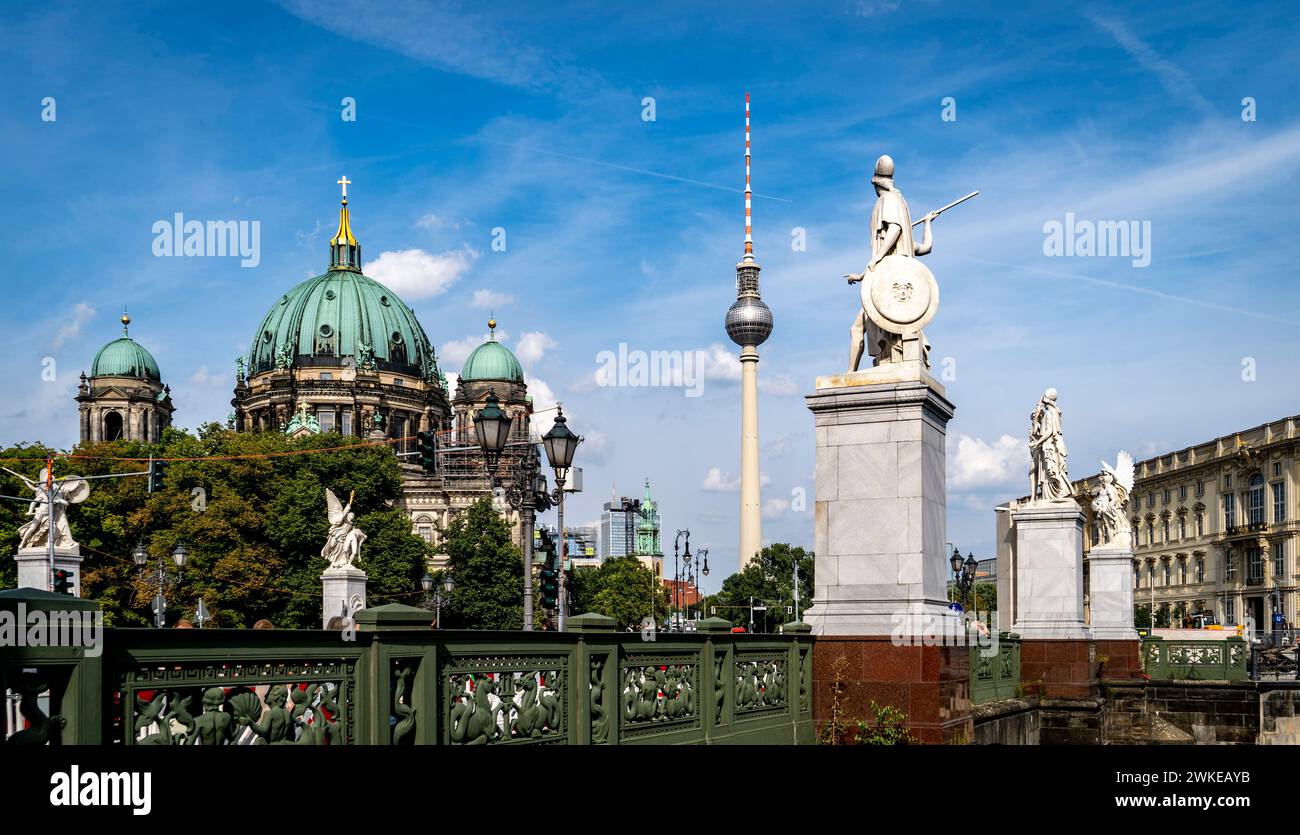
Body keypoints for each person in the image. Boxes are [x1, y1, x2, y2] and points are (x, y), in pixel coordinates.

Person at [846, 154, 935, 371]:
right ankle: (851, 372)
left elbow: (894, 228)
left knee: (858, 327)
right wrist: (927, 224)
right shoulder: (900, 208)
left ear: (877, 184)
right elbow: (925, 247)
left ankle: (850, 373)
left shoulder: (888, 200)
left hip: (889, 283)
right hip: (890, 279)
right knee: (858, 327)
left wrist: (877, 256)